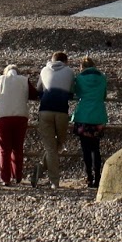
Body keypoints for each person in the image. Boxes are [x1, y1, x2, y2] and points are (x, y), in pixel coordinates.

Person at [0, 63, 36, 186]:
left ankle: (5, 178)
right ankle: (17, 176)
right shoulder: (24, 80)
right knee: (18, 147)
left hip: (4, 117)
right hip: (21, 116)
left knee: (4, 148)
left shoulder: (0, 79)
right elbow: (34, 94)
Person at [34, 52, 74, 188]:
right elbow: (72, 90)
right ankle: (54, 181)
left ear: (52, 60)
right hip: (62, 111)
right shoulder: (69, 71)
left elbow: (38, 89)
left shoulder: (44, 70)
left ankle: (40, 169)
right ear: (65, 61)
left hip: (45, 110)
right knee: (60, 143)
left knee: (51, 148)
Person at [70, 56, 109, 189]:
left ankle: (89, 177)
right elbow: (104, 95)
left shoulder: (80, 78)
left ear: (82, 67)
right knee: (96, 148)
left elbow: (76, 93)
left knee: (85, 148)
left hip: (83, 116)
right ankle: (98, 177)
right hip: (98, 115)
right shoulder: (102, 77)